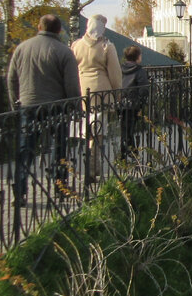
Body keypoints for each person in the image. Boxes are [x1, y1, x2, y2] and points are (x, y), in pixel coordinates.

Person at [8, 14, 81, 206]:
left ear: (39, 27)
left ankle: (20, 190)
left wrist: (15, 102)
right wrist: (75, 107)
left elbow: (11, 79)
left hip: (28, 105)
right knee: (59, 147)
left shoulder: (22, 48)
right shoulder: (64, 51)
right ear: (59, 30)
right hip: (56, 107)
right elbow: (72, 85)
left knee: (26, 149)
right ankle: (60, 186)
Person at [72, 14, 121, 184]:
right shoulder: (107, 46)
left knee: (86, 131)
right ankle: (93, 166)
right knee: (98, 131)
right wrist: (117, 93)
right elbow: (115, 74)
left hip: (81, 92)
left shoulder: (76, 46)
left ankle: (84, 164)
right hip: (101, 93)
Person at [119, 44, 149, 162]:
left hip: (121, 102)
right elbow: (144, 88)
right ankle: (131, 151)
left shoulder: (120, 68)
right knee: (131, 128)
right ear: (137, 57)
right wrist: (143, 100)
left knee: (124, 127)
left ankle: (124, 152)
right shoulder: (139, 71)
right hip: (133, 103)